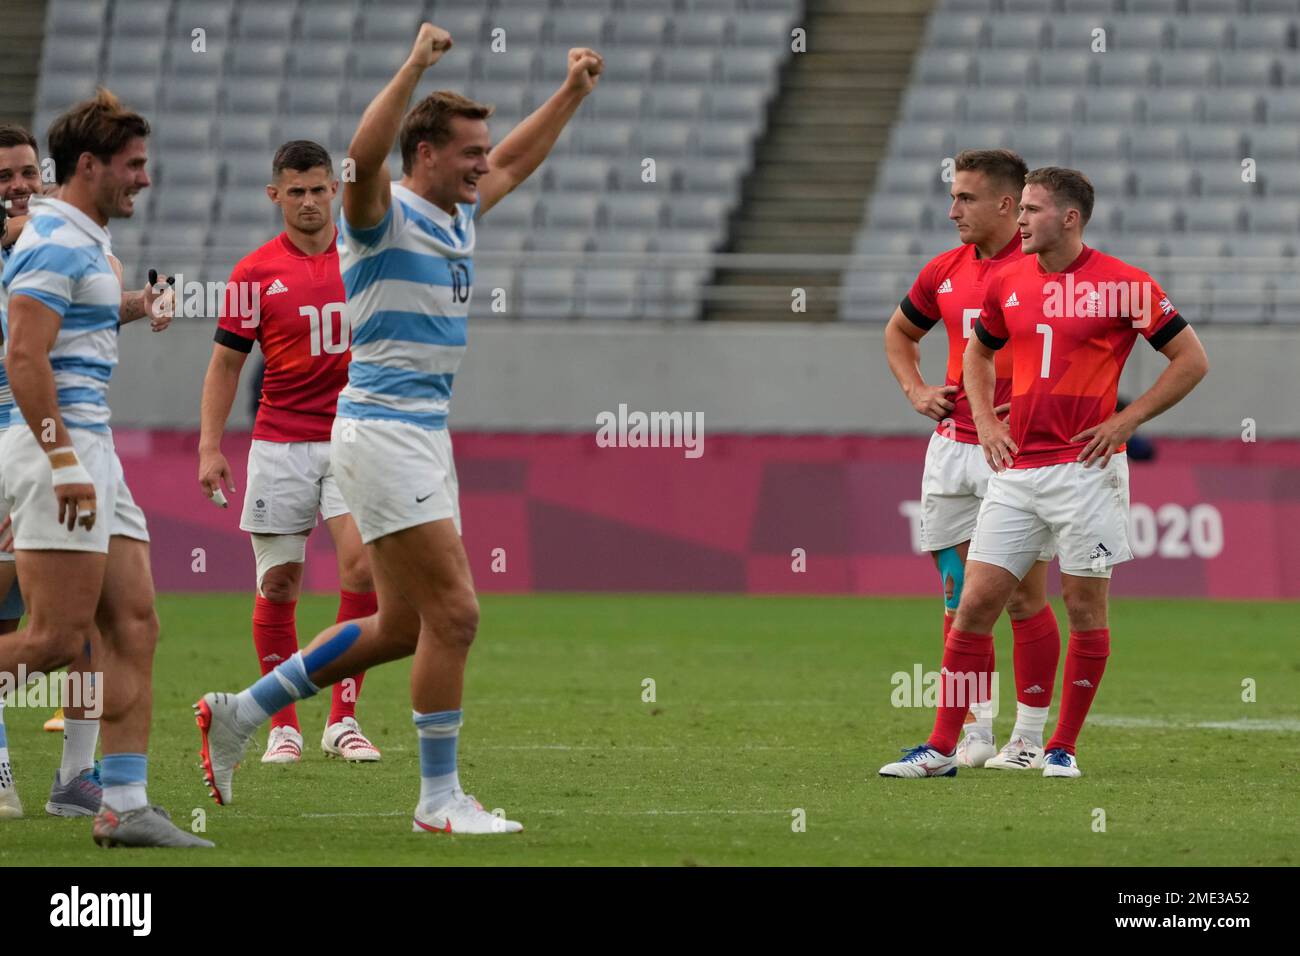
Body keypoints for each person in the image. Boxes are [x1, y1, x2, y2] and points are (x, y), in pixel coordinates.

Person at [198, 23, 603, 834]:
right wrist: (414, 65)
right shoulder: (381, 214)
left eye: (482, 150)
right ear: (424, 155)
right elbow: (361, 154)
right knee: (458, 616)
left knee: (401, 626)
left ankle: (240, 712)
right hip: (383, 433)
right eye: (468, 152)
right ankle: (438, 801)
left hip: (420, 434)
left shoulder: (460, 212)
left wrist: (570, 94)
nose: (484, 162)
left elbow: (519, 159)